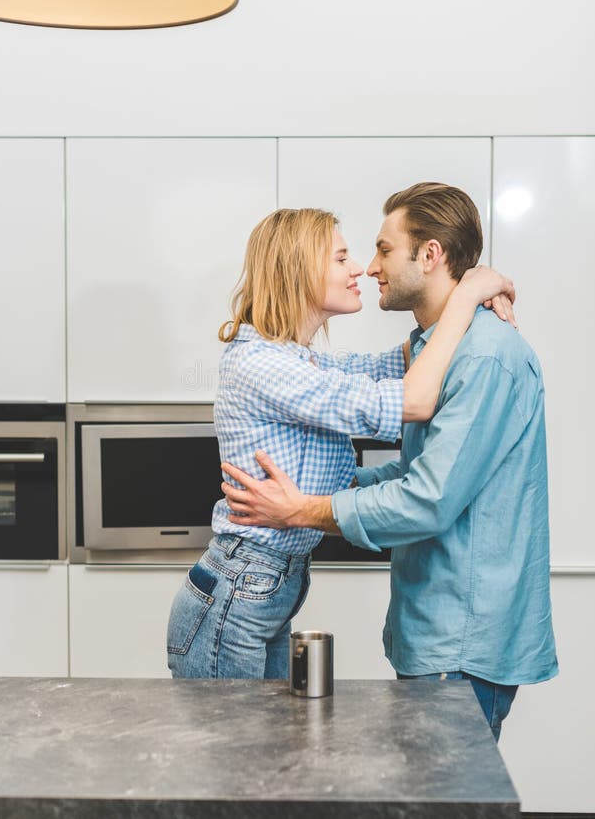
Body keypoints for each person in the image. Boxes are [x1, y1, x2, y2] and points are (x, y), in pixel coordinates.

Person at [222, 184, 558, 741]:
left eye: (382, 249)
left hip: (463, 639)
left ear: (429, 257)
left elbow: (426, 496)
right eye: (348, 255)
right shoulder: (436, 350)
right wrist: (329, 486)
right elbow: (414, 468)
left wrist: (307, 507)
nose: (369, 267)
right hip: (436, 630)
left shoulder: (487, 358)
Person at [167, 205, 515, 681]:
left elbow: (400, 362)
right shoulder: (264, 366)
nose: (361, 269)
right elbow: (414, 398)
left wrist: (465, 298)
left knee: (259, 753)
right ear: (298, 270)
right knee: (243, 756)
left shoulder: (298, 359)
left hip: (258, 588)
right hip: (236, 595)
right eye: (341, 258)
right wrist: (468, 294)